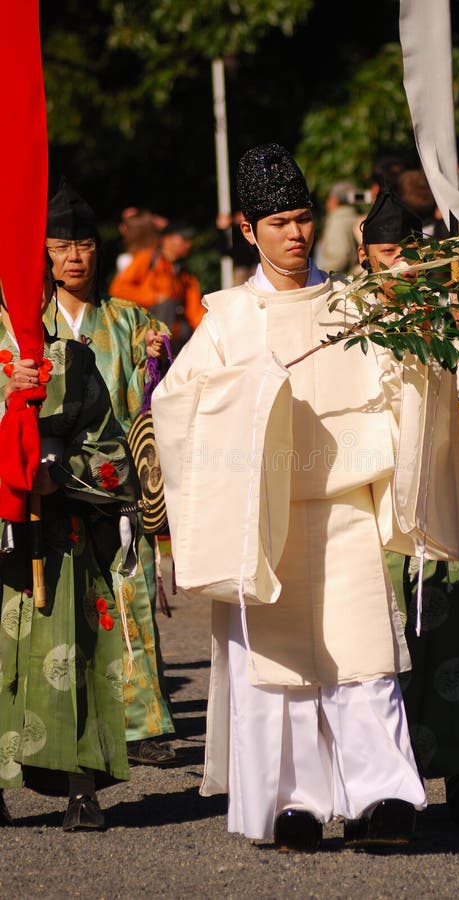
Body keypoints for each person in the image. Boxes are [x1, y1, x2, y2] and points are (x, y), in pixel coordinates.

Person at [151, 143, 459, 852]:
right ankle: (293, 802)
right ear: (247, 231)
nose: (294, 234)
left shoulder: (356, 306)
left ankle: (383, 796)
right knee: (282, 671)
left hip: (347, 505)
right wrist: (249, 392)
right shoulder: (229, 318)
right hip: (265, 518)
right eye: (278, 223)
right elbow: (176, 406)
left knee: (363, 659)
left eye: (299, 219)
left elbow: (408, 385)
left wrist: (434, 348)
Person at [357, 189, 459, 823]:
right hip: (376, 499)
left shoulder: (450, 311)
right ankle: (390, 777)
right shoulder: (350, 316)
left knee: (453, 628)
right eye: (384, 255)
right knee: (385, 641)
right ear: (366, 258)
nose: (397, 267)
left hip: (446, 494)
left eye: (406, 254)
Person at [0, 256, 139, 830]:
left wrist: (62, 468)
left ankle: (81, 787)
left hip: (62, 528)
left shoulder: (73, 357)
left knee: (72, 656)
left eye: (40, 285)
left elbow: (112, 448)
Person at [42, 177, 176, 767]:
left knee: (130, 594)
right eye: (61, 247)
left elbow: (165, 393)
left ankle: (141, 723)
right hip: (52, 483)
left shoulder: (130, 319)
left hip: (119, 483)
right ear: (44, 255)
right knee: (58, 608)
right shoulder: (27, 322)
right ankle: (62, 721)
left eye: (84, 245)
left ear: (99, 249)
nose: (74, 257)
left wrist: (161, 361)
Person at [110, 219, 205, 352]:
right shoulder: (147, 258)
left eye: (189, 240)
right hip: (145, 336)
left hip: (175, 340)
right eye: (184, 239)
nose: (188, 244)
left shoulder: (185, 275)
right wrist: (154, 297)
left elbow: (195, 313)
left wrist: (209, 332)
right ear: (167, 239)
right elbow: (117, 289)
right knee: (167, 303)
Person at [314, 181, 363, 275]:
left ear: (334, 200)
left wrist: (321, 276)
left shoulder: (337, 221)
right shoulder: (356, 217)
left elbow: (339, 256)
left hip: (340, 281)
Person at [215, 209, 258, 286]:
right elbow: (224, 250)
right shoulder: (232, 231)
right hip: (241, 267)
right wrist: (221, 230)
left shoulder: (252, 228)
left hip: (254, 265)